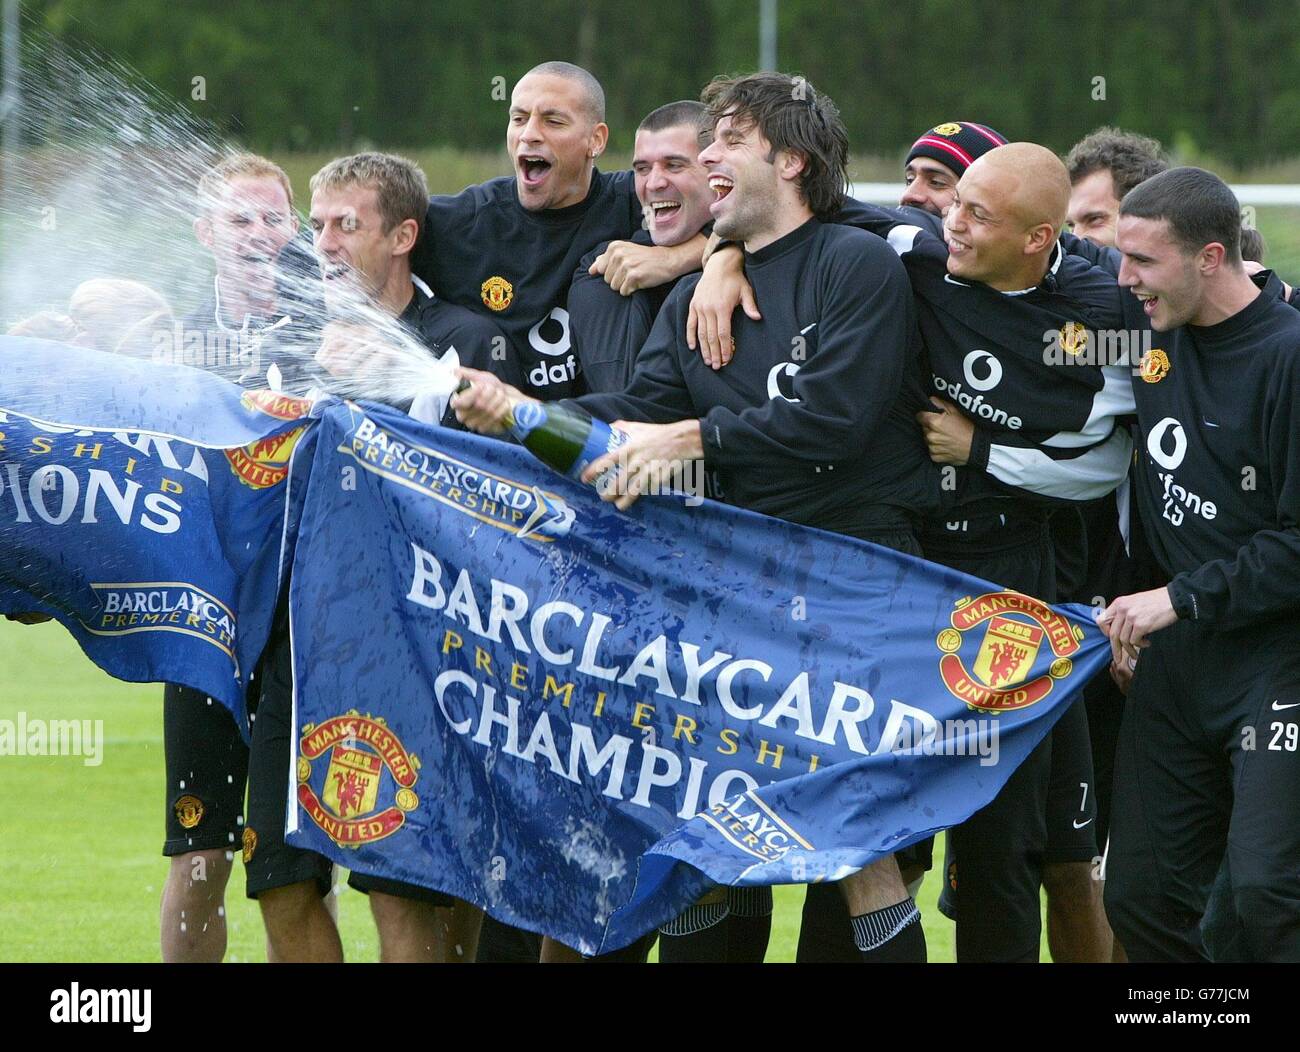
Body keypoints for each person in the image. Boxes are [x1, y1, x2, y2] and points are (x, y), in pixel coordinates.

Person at [453, 70, 945, 965]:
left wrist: (693, 436)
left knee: (858, 860)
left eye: (727, 142)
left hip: (853, 591)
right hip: (728, 604)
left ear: (790, 161)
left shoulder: (856, 265)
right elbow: (622, 432)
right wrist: (514, 416)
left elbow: (834, 420)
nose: (705, 158)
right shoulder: (689, 302)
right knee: (710, 846)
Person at [695, 141, 1134, 962]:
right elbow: (785, 216)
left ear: (1040, 239)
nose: (949, 219)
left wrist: (982, 454)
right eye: (950, 199)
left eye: (975, 209)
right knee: (867, 831)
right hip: (904, 571)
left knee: (1002, 850)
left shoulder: (1095, 317)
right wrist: (718, 255)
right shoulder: (911, 254)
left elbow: (1112, 452)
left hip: (1009, 580)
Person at [244, 152, 517, 963]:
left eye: (346, 225)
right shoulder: (285, 341)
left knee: (403, 893)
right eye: (317, 224)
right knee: (280, 879)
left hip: (414, 648)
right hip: (295, 641)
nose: (323, 243)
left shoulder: (464, 339)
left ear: (403, 235)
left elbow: (495, 497)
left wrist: (404, 395)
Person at [1097, 167, 1300, 963]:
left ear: (1212, 257)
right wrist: (724, 259)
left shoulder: (1288, 358)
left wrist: (1175, 597)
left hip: (1275, 663)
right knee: (1141, 899)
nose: (1124, 279)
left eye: (1142, 261)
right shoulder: (1145, 329)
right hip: (1176, 665)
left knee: (1264, 895)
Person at [410, 61, 710, 401]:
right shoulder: (464, 222)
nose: (529, 134)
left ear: (595, 140)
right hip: (497, 438)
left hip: (607, 435)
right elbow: (373, 234)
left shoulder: (644, 199)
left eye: (553, 121)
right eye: (519, 119)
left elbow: (753, 215)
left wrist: (685, 258)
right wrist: (352, 325)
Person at [568, 100, 715, 393]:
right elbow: (624, 405)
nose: (654, 183)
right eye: (642, 168)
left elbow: (826, 203)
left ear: (718, 168)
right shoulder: (608, 268)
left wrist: (694, 256)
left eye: (674, 165)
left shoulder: (768, 245)